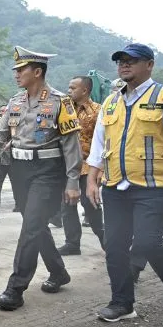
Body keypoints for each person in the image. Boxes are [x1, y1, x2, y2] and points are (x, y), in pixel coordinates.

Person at [86, 43, 163, 322]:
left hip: (154, 187)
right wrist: (91, 178)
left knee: (147, 241)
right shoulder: (111, 102)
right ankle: (122, 303)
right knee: (115, 245)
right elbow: (99, 144)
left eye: (131, 61)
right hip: (115, 186)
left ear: (149, 65)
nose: (124, 65)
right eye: (121, 60)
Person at [0, 46, 83, 310]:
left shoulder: (60, 102)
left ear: (37, 71)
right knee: (35, 225)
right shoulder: (15, 102)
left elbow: (71, 145)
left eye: (21, 70)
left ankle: (15, 288)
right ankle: (58, 272)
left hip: (48, 171)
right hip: (20, 171)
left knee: (31, 226)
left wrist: (72, 181)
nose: (16, 74)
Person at [57, 76, 104, 255]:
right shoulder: (64, 109)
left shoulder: (98, 111)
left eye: (72, 88)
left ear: (84, 90)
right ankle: (72, 243)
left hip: (88, 166)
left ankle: (106, 241)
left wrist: (101, 169)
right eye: (68, 87)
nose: (69, 91)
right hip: (67, 166)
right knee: (67, 205)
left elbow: (105, 141)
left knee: (90, 205)